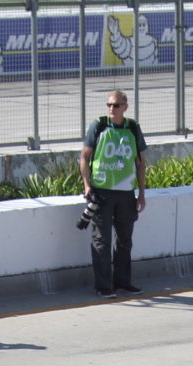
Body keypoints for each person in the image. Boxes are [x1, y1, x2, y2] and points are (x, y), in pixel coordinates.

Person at [81, 92, 147, 299]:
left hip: (126, 193)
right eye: (109, 105)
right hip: (102, 192)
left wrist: (142, 194)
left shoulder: (132, 128)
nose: (112, 109)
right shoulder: (98, 126)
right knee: (102, 240)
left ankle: (123, 282)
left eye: (116, 105)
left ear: (125, 107)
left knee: (125, 240)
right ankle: (103, 285)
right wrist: (87, 185)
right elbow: (84, 157)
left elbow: (140, 163)